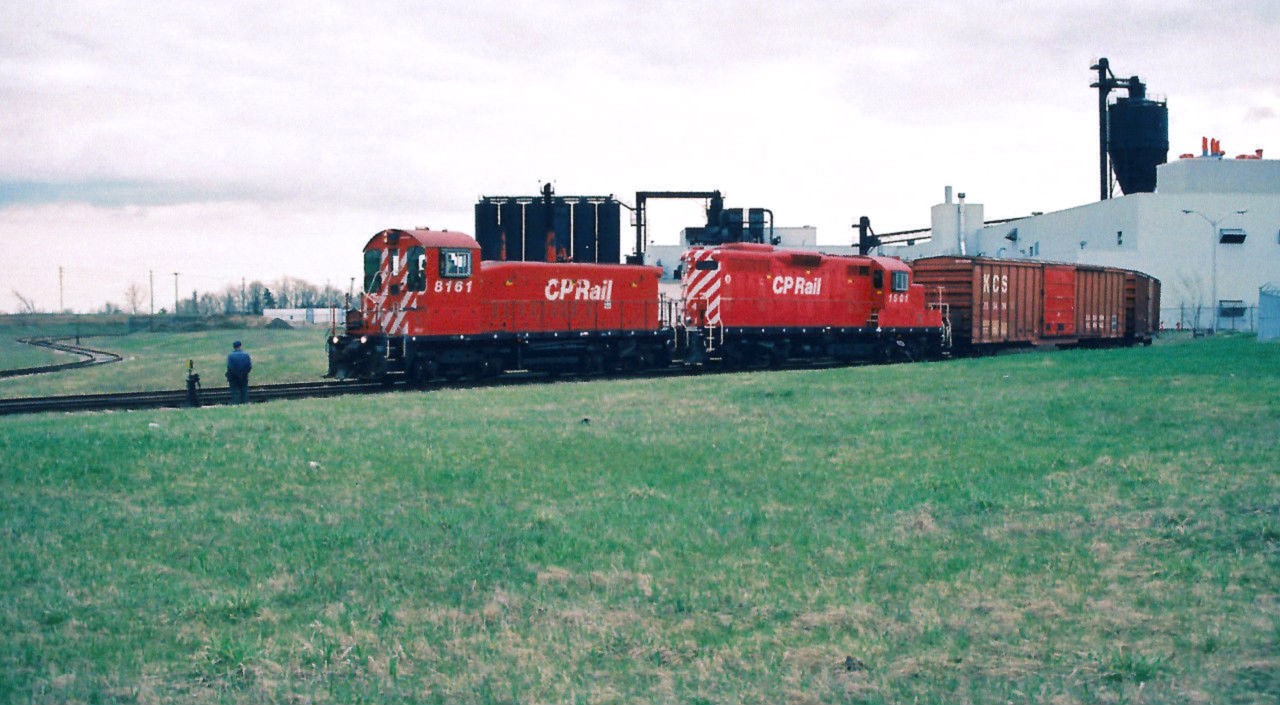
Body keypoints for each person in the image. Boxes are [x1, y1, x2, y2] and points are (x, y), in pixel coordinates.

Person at [225, 340, 252, 404]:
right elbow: (249, 366)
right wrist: (244, 373)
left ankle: (236, 403)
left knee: (235, 391)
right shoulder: (246, 355)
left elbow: (230, 367)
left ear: (234, 347)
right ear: (240, 346)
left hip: (233, 377)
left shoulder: (230, 356)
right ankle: (245, 403)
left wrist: (235, 374)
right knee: (244, 390)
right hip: (244, 376)